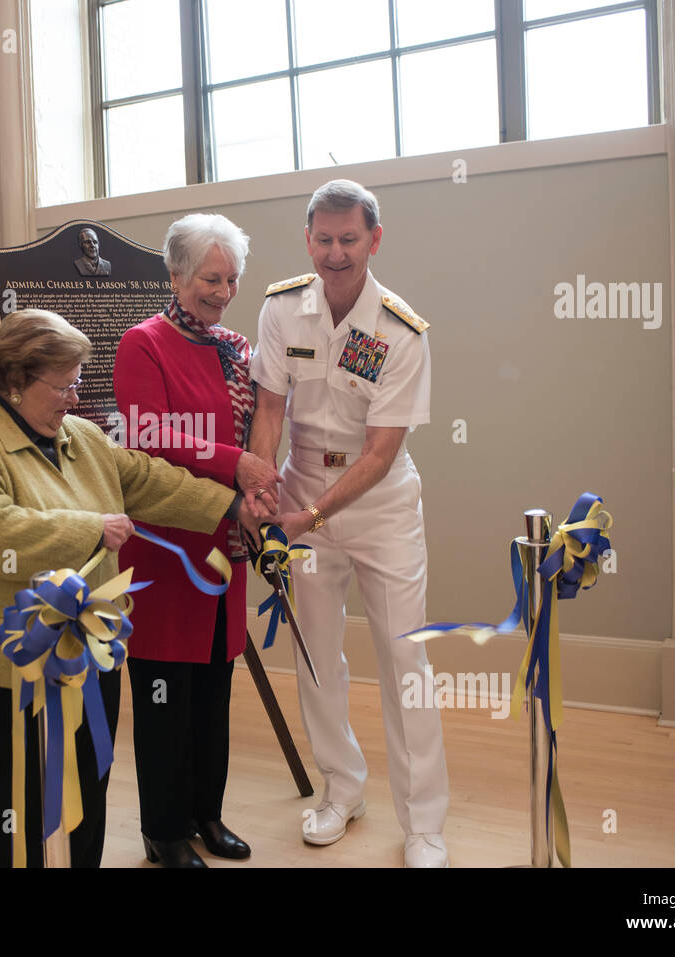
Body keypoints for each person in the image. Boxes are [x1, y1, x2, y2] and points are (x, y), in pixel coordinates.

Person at [0, 308, 261, 867]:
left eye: (78, 382)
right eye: (63, 385)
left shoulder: (84, 437)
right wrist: (90, 528)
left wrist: (233, 505)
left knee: (79, 808)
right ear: (13, 381)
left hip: (83, 658)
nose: (75, 397)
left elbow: (149, 481)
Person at [247, 179, 451, 868]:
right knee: (315, 656)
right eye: (324, 239)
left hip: (379, 507)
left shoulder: (399, 330)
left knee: (405, 662)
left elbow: (380, 451)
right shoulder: (281, 310)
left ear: (374, 240)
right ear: (308, 239)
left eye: (349, 240)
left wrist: (308, 515)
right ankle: (342, 789)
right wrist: (262, 481)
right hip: (301, 492)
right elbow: (269, 409)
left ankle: (423, 824)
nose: (336, 253)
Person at [113, 213, 281, 867]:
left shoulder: (237, 347)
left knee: (213, 692)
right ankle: (164, 830)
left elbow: (262, 426)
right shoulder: (142, 342)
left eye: (232, 278)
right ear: (176, 274)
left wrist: (259, 483)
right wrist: (232, 463)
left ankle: (206, 814)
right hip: (168, 549)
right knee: (164, 695)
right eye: (211, 277)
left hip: (227, 547)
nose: (222, 290)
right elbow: (148, 433)